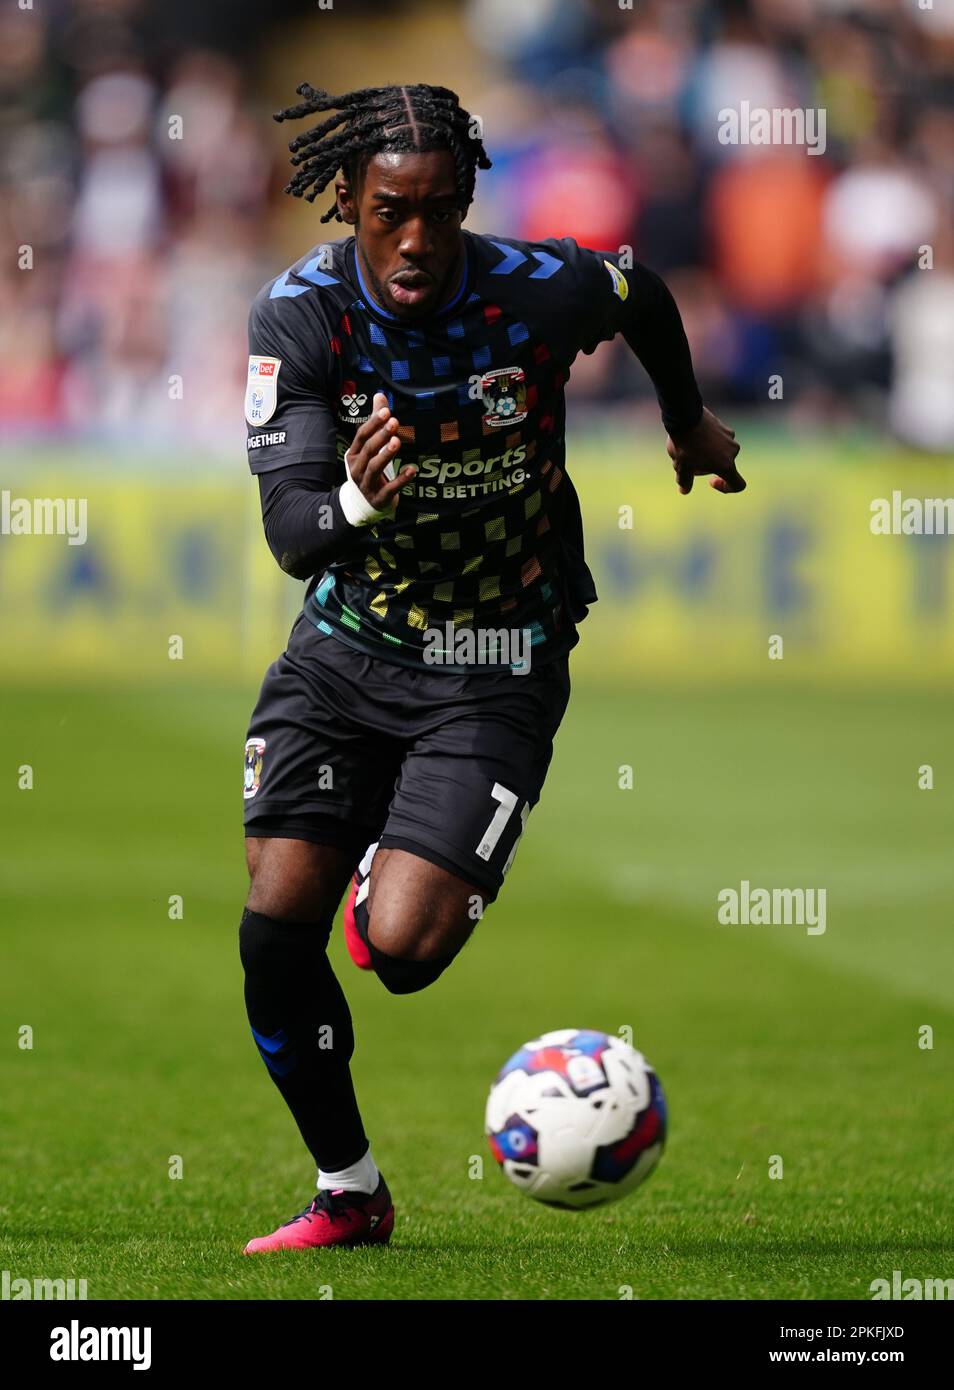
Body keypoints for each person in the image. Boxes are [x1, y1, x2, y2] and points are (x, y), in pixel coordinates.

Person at [239, 82, 744, 1254]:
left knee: (404, 957)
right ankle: (350, 1191)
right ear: (351, 206)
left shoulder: (538, 289)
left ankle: (395, 869)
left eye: (437, 210)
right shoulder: (301, 319)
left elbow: (645, 293)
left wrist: (687, 424)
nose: (414, 240)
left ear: (465, 201)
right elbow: (292, 535)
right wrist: (361, 494)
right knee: (274, 931)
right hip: (348, 652)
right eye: (387, 212)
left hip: (498, 660)